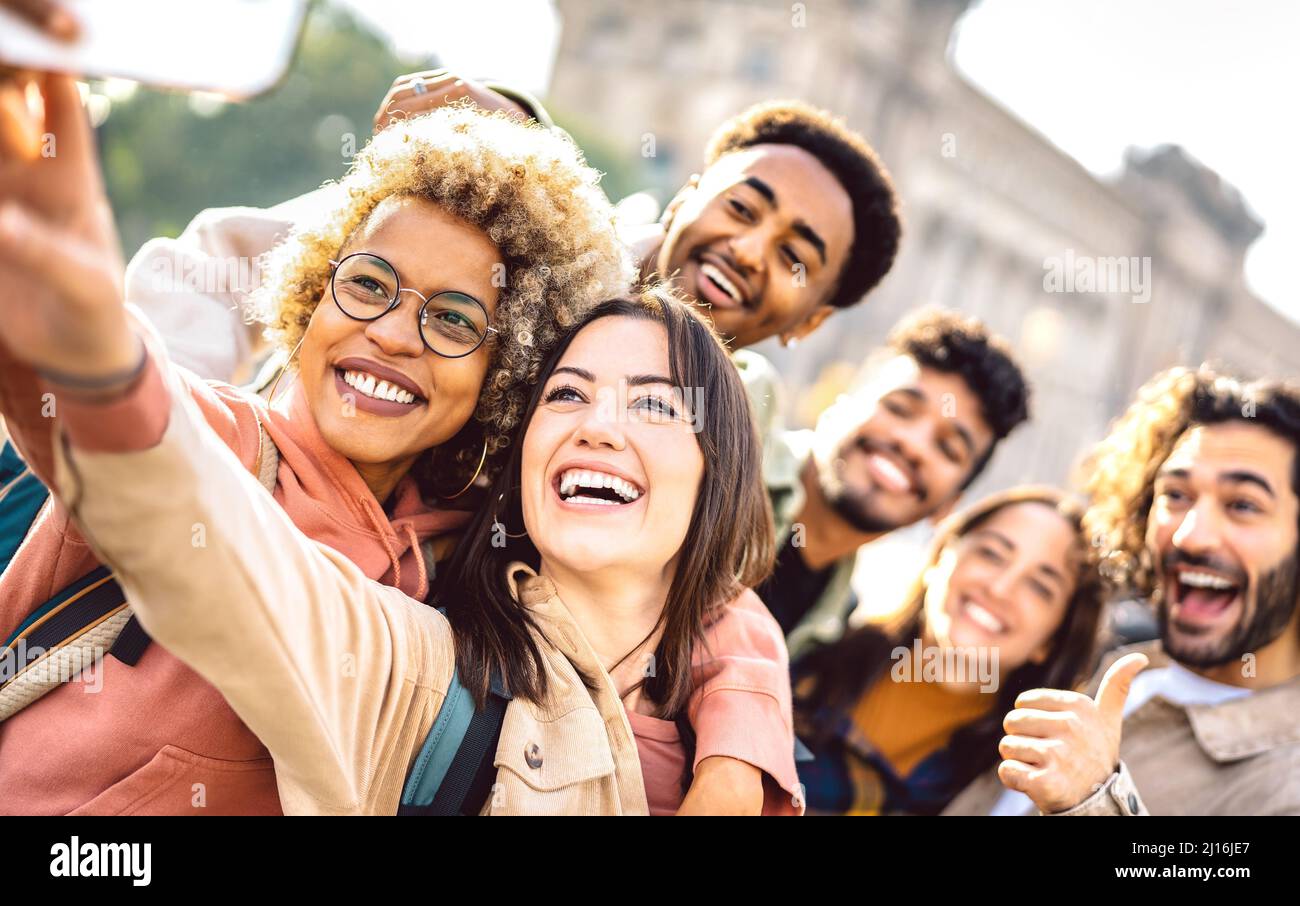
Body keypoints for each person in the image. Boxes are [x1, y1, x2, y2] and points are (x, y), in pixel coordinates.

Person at [0, 73, 797, 816]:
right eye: (369, 284)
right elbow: (139, 445)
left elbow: (696, 584)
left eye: (452, 319)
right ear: (314, 291)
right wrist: (65, 304)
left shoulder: (466, 544)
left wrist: (739, 749)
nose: (388, 333)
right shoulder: (220, 438)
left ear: (502, 377)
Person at [947, 366, 1300, 815]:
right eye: (1176, 494)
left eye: (1243, 505)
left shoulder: (1286, 787)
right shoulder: (1105, 671)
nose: (1190, 535)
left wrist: (1093, 801)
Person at [791, 487, 1103, 814]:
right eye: (992, 554)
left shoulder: (1010, 790)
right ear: (940, 558)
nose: (999, 589)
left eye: (1040, 587)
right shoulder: (808, 646)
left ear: (1049, 643)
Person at [760, 308, 1032, 658]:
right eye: (900, 408)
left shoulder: (835, 633)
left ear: (948, 506)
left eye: (948, 448)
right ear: (839, 404)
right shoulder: (723, 455)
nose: (913, 444)